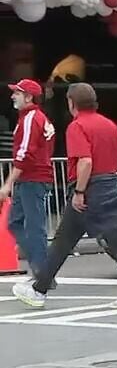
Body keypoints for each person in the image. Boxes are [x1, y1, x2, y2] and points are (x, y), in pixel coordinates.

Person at [13, 83, 117, 310]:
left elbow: (85, 161)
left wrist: (80, 192)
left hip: (89, 189)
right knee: (113, 239)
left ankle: (39, 289)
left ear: (71, 102)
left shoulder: (77, 126)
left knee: (63, 241)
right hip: (109, 185)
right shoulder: (108, 124)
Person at [1, 78, 54, 278]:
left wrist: (8, 184)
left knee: (33, 227)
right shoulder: (34, 118)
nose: (13, 95)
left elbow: (24, 154)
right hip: (33, 179)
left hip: (33, 179)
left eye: (17, 92)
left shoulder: (31, 118)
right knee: (16, 223)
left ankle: (42, 273)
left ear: (29, 97)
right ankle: (41, 267)